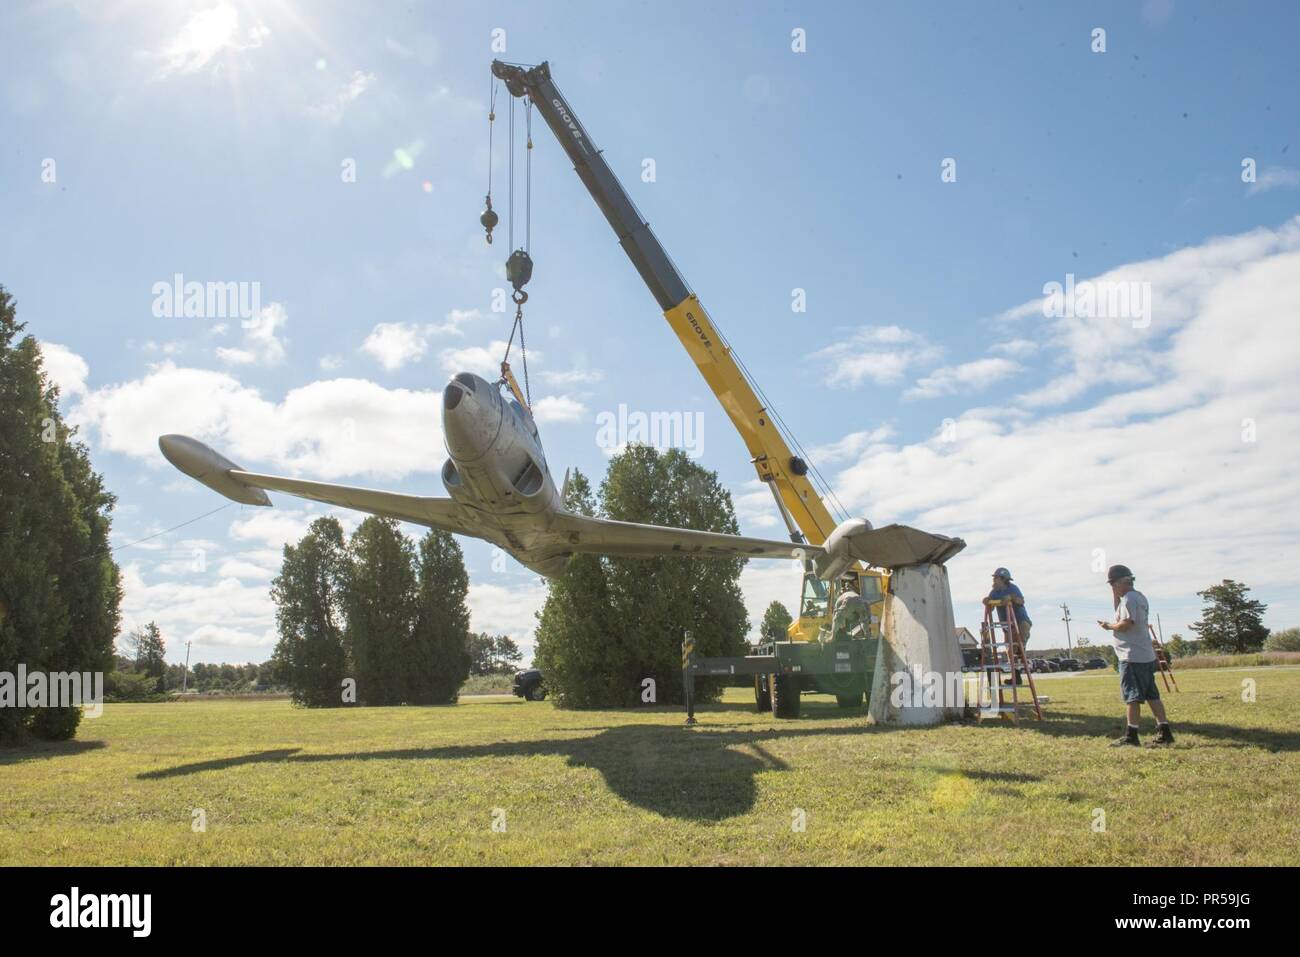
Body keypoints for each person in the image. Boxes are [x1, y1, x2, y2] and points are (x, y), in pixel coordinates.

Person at [1097, 564, 1174, 747]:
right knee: (1152, 696)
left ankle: (1131, 735)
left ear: (1122, 582)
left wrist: (1109, 627)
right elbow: (1121, 612)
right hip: (1145, 655)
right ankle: (1165, 732)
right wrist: (1115, 593)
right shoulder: (1138, 597)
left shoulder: (1129, 599)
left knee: (1132, 698)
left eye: (1113, 584)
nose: (1112, 588)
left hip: (1131, 657)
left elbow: (1125, 624)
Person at [983, 567, 1031, 649]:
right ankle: (1016, 656)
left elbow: (1021, 601)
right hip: (1007, 624)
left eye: (996, 578)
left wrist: (1012, 597)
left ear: (1003, 579)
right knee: (1010, 650)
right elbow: (991, 609)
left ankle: (1021, 651)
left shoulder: (1013, 589)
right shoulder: (994, 593)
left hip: (1020, 621)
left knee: (1020, 641)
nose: (993, 580)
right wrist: (987, 602)